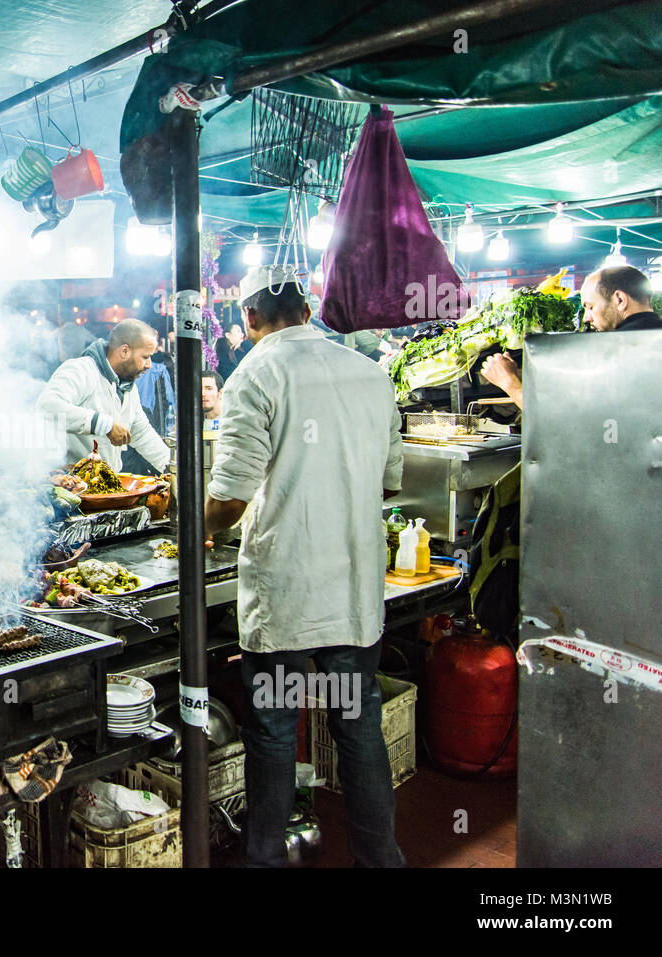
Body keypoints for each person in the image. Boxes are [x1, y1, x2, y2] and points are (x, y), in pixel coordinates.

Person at [203, 264, 405, 868]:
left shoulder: (255, 374)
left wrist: (196, 525)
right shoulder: (371, 374)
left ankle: (263, 858)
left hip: (287, 592)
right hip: (352, 592)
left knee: (272, 729)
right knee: (357, 723)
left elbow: (230, 504)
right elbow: (389, 481)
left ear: (250, 318)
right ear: (308, 312)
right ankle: (381, 860)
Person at [482, 265, 658, 409]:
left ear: (619, 299)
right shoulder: (654, 338)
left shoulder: (614, 351)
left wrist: (510, 384)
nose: (587, 317)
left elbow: (566, 421)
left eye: (590, 307)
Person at [36, 318, 171, 475]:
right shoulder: (81, 370)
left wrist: (173, 469)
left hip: (106, 487)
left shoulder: (128, 388)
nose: (149, 365)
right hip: (73, 489)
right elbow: (47, 406)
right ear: (124, 351)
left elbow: (141, 433)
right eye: (145, 357)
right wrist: (104, 424)